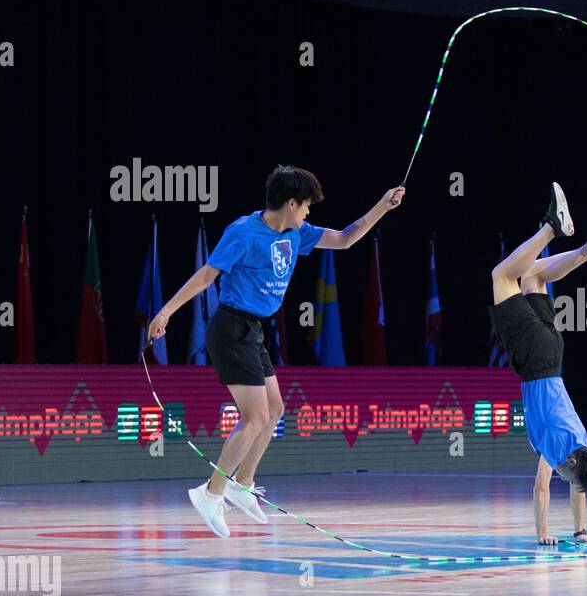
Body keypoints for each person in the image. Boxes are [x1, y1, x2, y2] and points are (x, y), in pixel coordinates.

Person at [147, 166, 405, 536]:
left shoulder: (296, 233)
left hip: (252, 331)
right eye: (306, 207)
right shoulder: (242, 232)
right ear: (291, 202)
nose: (308, 214)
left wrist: (383, 205)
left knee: (275, 411)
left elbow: (347, 238)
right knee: (254, 418)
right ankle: (211, 492)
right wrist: (167, 310)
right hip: (230, 328)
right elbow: (207, 276)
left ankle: (242, 484)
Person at [488, 183, 587, 545]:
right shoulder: (560, 448)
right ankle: (550, 227)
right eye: (567, 476)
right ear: (571, 464)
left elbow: (579, 486)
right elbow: (541, 487)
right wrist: (543, 535)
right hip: (533, 360)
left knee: (532, 278)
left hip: (554, 354)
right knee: (502, 276)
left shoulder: (582, 442)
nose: (563, 479)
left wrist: (580, 532)